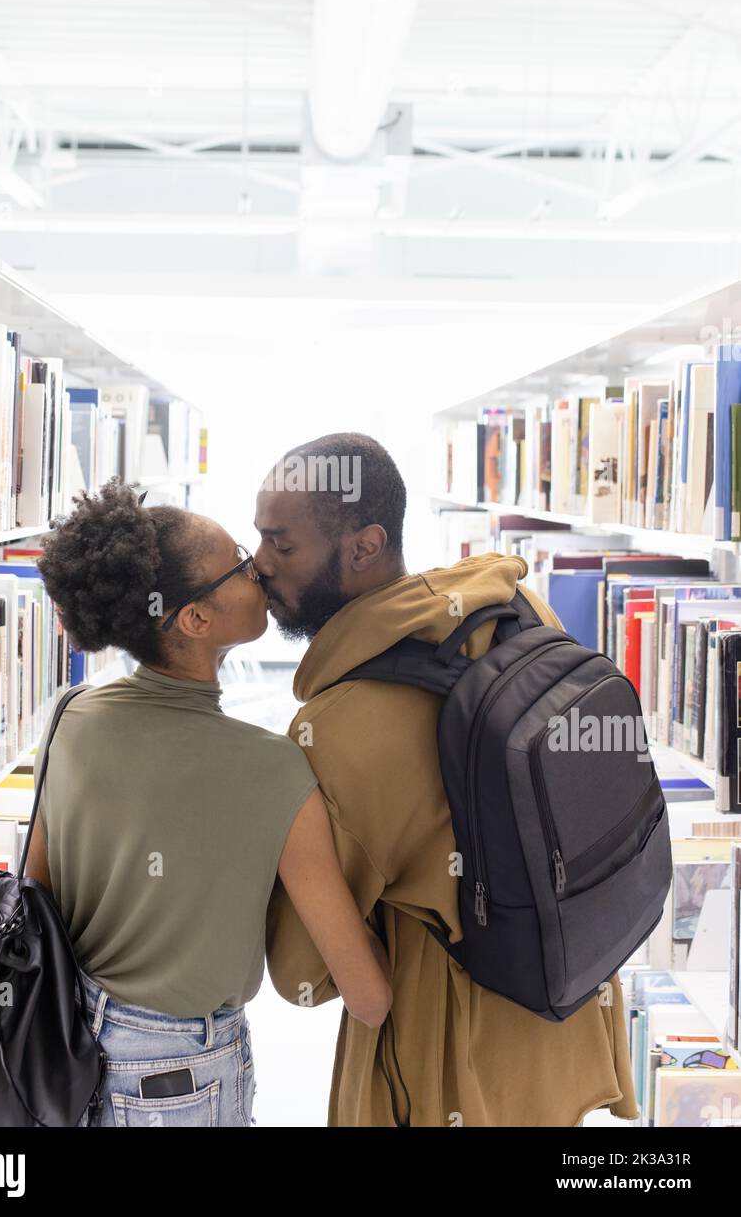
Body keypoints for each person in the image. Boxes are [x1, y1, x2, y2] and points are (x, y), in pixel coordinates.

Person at [256, 432, 640, 1128]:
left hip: (451, 1060)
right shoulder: (520, 608)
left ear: (364, 546)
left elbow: (304, 974)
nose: (258, 566)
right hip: (569, 1006)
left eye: (282, 547)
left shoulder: (338, 728)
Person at [24, 479, 392, 1128]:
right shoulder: (271, 768)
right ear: (194, 619)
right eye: (243, 568)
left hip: (65, 1051)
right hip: (179, 1079)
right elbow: (365, 995)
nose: (263, 569)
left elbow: (36, 897)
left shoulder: (69, 717)